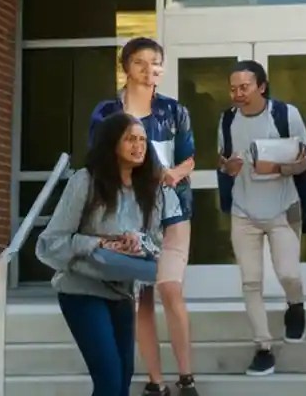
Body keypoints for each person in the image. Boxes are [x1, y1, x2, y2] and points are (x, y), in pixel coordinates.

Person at [37, 112, 185, 396]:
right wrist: (98, 244)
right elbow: (50, 244)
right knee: (108, 378)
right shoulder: (85, 181)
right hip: (81, 290)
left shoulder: (150, 190)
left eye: (143, 140)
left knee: (122, 379)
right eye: (130, 139)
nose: (139, 145)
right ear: (111, 143)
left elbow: (155, 244)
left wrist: (137, 242)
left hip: (122, 292)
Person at [88, 37, 198, 396]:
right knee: (141, 297)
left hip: (172, 209)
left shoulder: (174, 110)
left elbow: (189, 158)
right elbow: (96, 160)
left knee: (169, 288)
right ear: (126, 67)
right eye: (141, 62)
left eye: (156, 62)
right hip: (128, 213)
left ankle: (186, 377)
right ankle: (156, 381)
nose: (150, 69)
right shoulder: (107, 113)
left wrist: (173, 174)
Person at [216, 59, 306, 376]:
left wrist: (279, 169)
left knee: (288, 273)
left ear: (261, 86)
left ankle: (295, 304)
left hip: (283, 208)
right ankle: (263, 347)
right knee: (251, 281)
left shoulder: (285, 115)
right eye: (233, 88)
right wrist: (227, 168)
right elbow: (224, 160)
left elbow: (305, 159)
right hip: (244, 213)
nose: (237, 94)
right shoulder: (227, 119)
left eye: (244, 87)